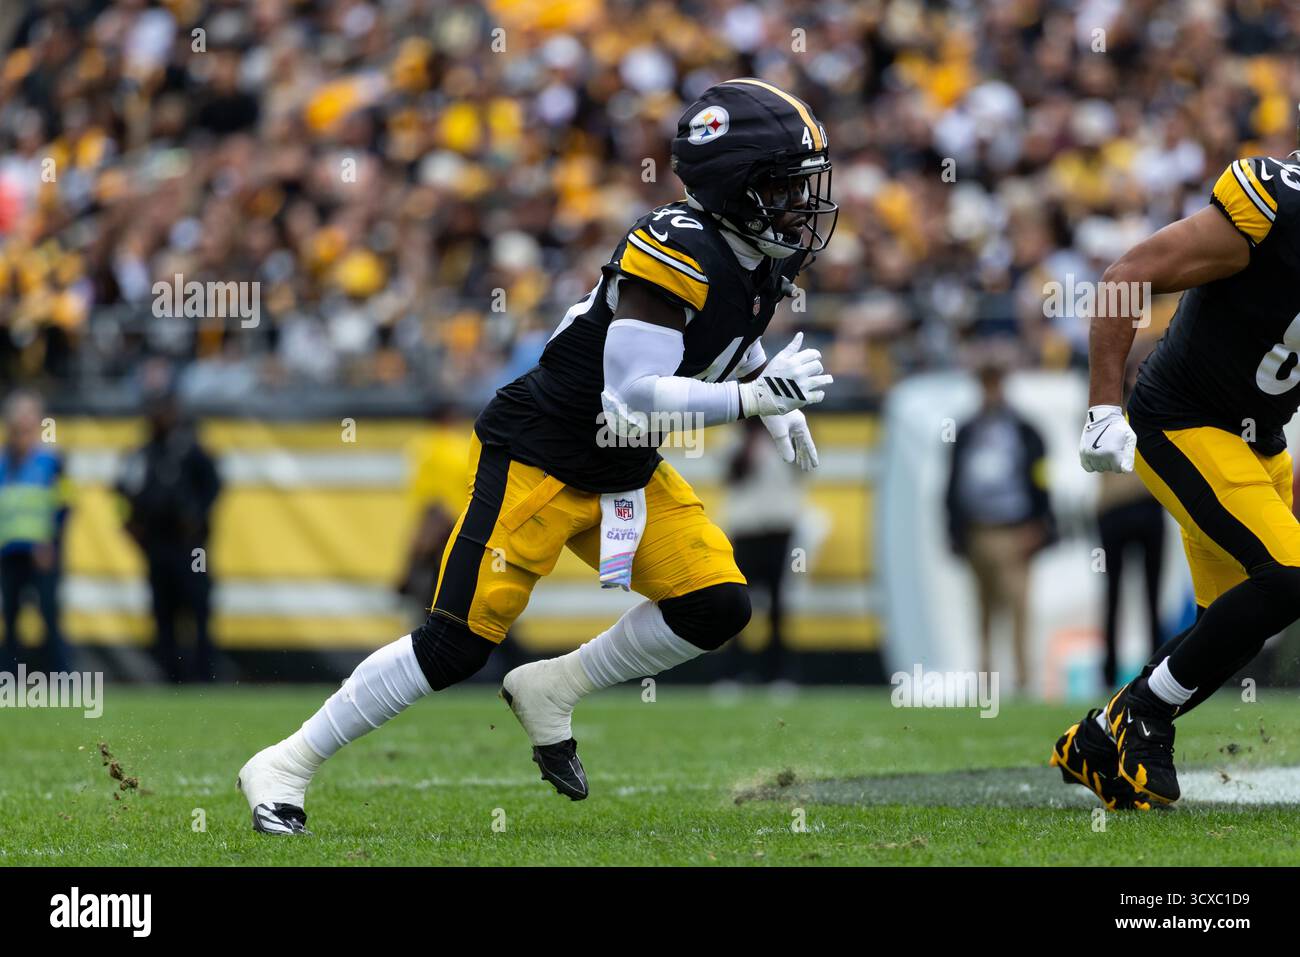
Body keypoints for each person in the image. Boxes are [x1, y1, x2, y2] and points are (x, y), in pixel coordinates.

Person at [236, 78, 838, 834]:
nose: (801, 204)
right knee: (454, 643)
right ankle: (284, 762)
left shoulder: (752, 253)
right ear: (735, 185)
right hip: (545, 453)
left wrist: (759, 382)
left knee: (716, 603)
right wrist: (756, 400)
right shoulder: (676, 244)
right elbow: (633, 395)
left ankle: (554, 685)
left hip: (623, 465)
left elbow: (723, 331)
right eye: (786, 186)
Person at [1053, 147, 1300, 810]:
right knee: (1288, 574)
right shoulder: (1278, 206)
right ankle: (1142, 712)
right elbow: (1128, 274)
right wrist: (1103, 406)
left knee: (1237, 623)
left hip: (1260, 442)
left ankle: (1100, 738)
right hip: (1183, 419)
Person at [945, 359, 1055, 692]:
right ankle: (985, 681)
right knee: (983, 610)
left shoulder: (1024, 429)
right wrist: (955, 532)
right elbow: (952, 485)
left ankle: (1023, 680)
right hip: (979, 530)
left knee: (1019, 608)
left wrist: (1040, 524)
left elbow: (1041, 478)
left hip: (1014, 531)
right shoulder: (967, 430)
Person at [116, 390, 223, 683]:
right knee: (163, 611)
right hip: (158, 544)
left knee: (198, 606)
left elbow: (214, 486)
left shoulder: (189, 450)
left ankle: (203, 674)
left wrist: (197, 516)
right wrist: (128, 522)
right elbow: (120, 490)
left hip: (191, 547)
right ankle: (169, 674)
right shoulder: (142, 454)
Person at [1095, 355, 1166, 687]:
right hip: (1118, 511)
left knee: (1150, 595)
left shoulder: (1154, 408)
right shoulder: (1108, 413)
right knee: (1114, 595)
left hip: (1144, 508)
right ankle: (1110, 672)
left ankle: (1154, 670)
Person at [722, 415, 809, 683]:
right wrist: (750, 443)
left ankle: (778, 672)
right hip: (747, 530)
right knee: (739, 603)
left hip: (780, 528)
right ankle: (735, 672)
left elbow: (804, 468)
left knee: (777, 605)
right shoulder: (737, 438)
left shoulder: (788, 434)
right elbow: (731, 474)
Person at [0, 390, 71, 673]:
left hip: (42, 552)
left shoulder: (51, 461)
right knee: (10, 619)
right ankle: (8, 682)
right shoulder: (3, 462)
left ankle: (62, 678)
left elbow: (66, 504)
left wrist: (51, 542)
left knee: (49, 616)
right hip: (8, 552)